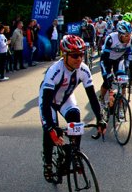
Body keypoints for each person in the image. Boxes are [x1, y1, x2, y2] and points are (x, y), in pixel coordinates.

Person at [39, 35, 105, 180]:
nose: (79, 59)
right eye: (75, 55)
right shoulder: (55, 71)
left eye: (81, 54)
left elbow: (92, 97)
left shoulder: (83, 69)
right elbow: (45, 103)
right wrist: (50, 128)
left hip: (65, 98)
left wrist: (100, 118)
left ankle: (75, 152)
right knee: (50, 129)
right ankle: (48, 162)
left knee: (75, 115)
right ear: (65, 55)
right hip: (49, 101)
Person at [98, 20, 132, 107]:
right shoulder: (111, 39)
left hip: (118, 59)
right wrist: (108, 74)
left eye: (130, 35)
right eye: (126, 35)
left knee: (123, 80)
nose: (129, 38)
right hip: (106, 59)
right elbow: (105, 58)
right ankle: (101, 98)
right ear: (120, 34)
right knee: (107, 82)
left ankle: (121, 104)